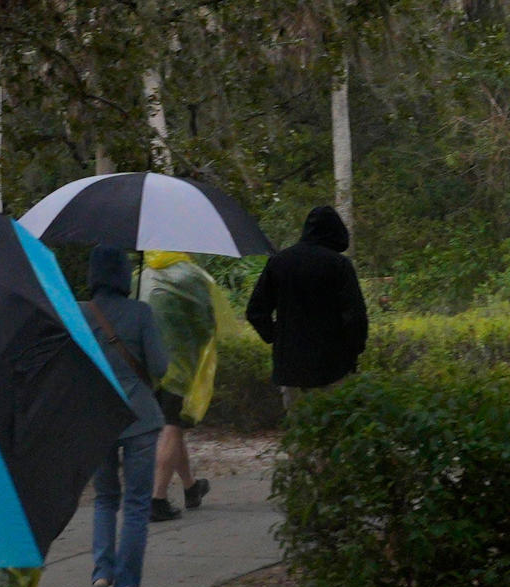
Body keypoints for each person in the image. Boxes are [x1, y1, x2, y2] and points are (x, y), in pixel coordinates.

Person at [69, 251, 163, 587]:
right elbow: (160, 366)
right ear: (125, 275)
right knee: (137, 505)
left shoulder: (78, 313)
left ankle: (100, 576)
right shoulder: (141, 313)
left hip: (96, 419)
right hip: (139, 418)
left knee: (105, 500)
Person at [243, 203, 371, 417]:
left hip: (291, 367)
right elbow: (356, 316)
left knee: (298, 434)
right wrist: (354, 350)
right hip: (334, 365)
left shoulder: (279, 262)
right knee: (333, 433)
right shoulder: (339, 265)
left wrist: (277, 337)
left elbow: (255, 311)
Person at [141, 249, 221, 516]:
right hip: (180, 365)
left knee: (170, 425)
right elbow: (207, 322)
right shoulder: (192, 276)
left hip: (147, 364)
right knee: (171, 427)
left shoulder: (142, 275)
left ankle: (191, 487)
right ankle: (157, 499)